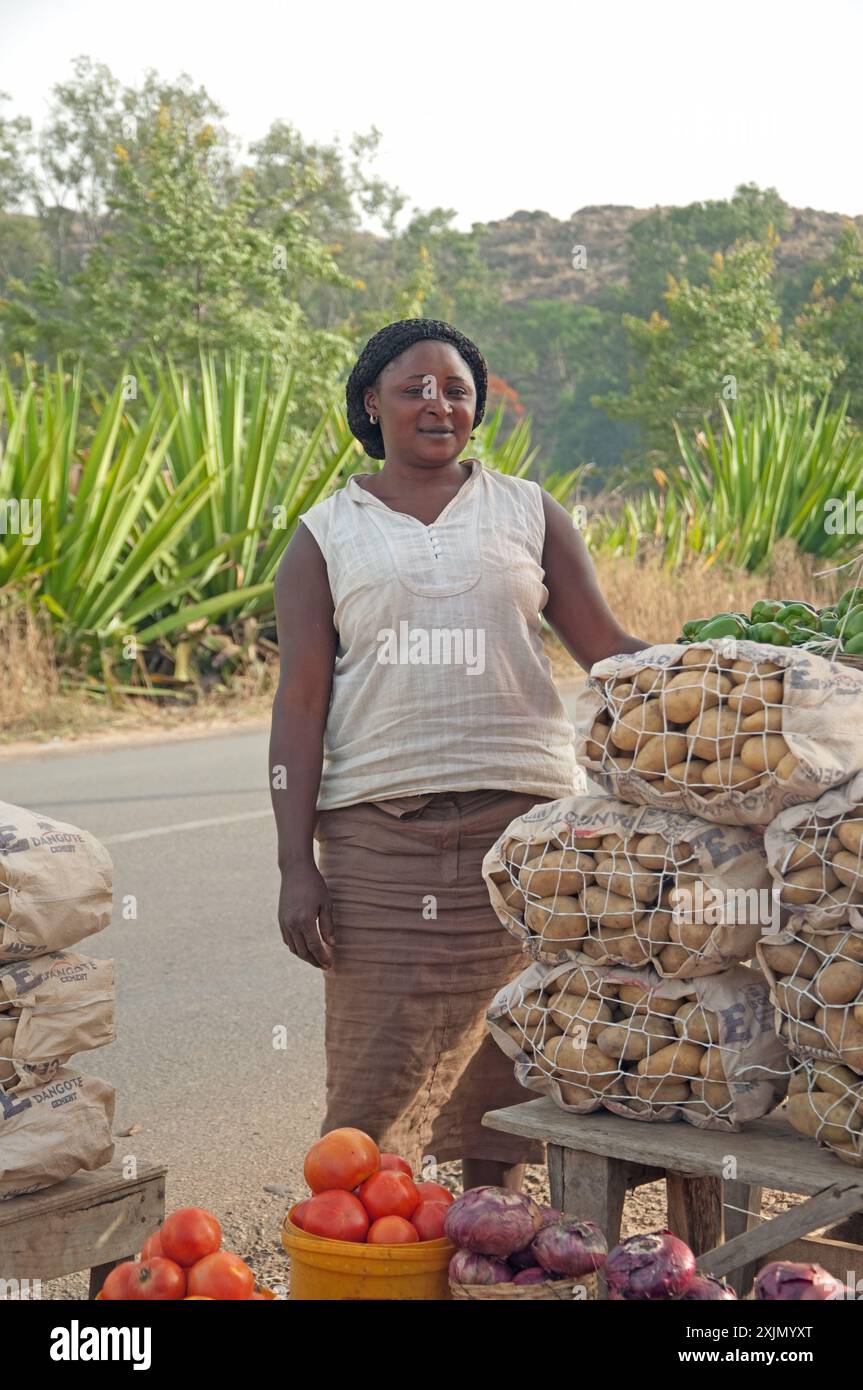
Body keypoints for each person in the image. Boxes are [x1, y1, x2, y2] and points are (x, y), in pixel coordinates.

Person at [269, 318, 648, 1193]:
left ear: (475, 411)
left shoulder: (525, 510)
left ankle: (491, 1252)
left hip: (525, 843)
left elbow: (608, 650)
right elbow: (298, 704)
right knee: (372, 1082)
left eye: (456, 390)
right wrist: (295, 862)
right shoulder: (324, 535)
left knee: (513, 1071)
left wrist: (742, 669)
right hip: (377, 840)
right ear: (372, 403)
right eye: (414, 387)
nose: (437, 403)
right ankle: (367, 1257)